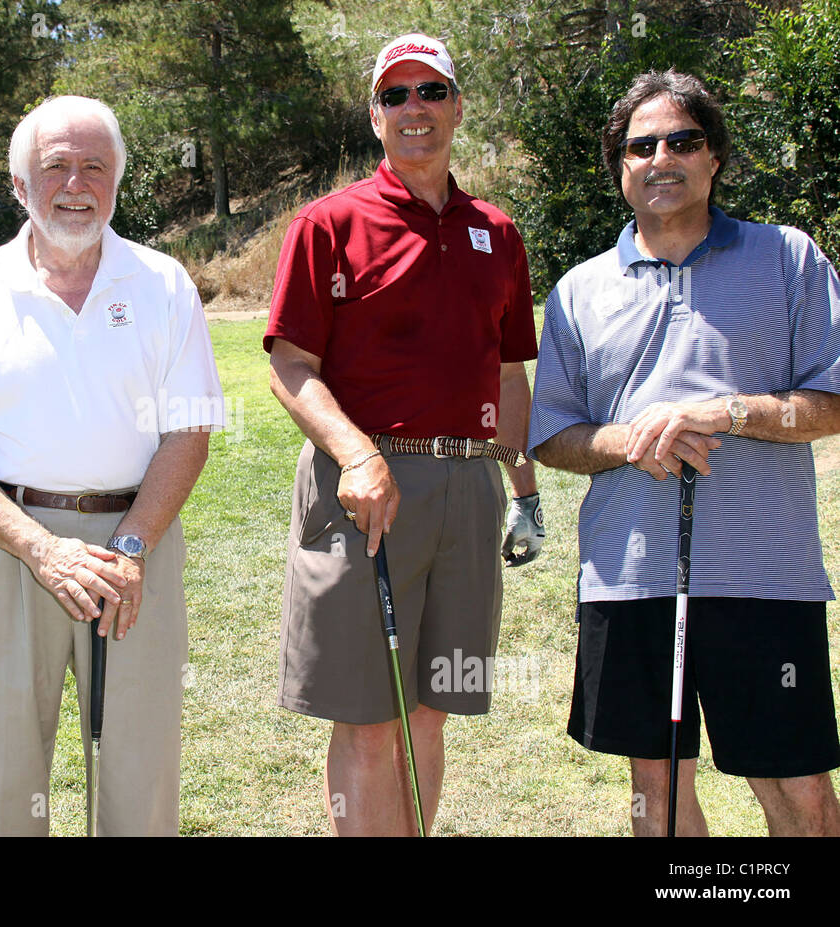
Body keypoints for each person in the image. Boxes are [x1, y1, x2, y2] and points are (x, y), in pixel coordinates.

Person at [528, 70, 840, 836]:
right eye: (641, 146)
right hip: (629, 578)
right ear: (619, 169)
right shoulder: (577, 291)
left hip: (764, 573)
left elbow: (831, 401)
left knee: (799, 793)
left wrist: (729, 411)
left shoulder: (788, 259)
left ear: (714, 158)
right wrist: (628, 440)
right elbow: (555, 436)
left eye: (683, 140)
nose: (661, 157)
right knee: (656, 794)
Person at [0, 96, 223, 837]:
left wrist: (135, 542)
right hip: (5, 548)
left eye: (94, 167)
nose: (75, 184)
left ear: (116, 181)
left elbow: (188, 433)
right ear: (20, 186)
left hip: (135, 540)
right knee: (7, 771)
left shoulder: (163, 283)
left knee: (138, 774)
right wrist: (43, 550)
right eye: (55, 167)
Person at [265, 33, 542, 836]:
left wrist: (523, 493)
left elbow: (506, 374)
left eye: (431, 91)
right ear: (376, 117)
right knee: (368, 717)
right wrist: (357, 454)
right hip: (366, 489)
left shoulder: (498, 230)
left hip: (469, 488)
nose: (414, 108)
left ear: (457, 106)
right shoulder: (328, 223)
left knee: (430, 711)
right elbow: (289, 364)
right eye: (396, 95)